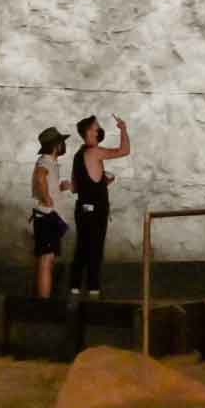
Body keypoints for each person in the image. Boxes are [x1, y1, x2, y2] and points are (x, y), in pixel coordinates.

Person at [70, 113, 132, 297]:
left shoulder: (78, 155)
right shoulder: (95, 152)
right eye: (97, 127)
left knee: (81, 246)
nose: (99, 130)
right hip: (96, 210)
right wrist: (123, 129)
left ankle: (74, 286)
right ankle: (93, 287)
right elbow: (124, 151)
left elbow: (75, 187)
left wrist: (102, 182)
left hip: (82, 208)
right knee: (95, 247)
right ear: (90, 131)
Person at [30, 126, 71, 298]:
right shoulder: (45, 161)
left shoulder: (50, 162)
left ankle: (44, 298)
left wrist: (59, 188)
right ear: (56, 145)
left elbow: (45, 180)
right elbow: (40, 177)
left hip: (49, 217)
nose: (64, 145)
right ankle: (43, 303)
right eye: (62, 142)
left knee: (48, 259)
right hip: (47, 216)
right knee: (46, 261)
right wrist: (46, 197)